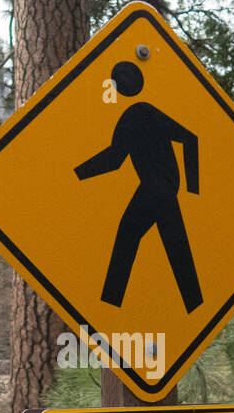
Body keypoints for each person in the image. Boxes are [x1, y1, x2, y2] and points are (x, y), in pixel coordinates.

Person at [75, 60, 203, 314]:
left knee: (132, 239)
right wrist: (188, 188)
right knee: (170, 247)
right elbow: (115, 159)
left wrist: (194, 189)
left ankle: (111, 305)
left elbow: (113, 159)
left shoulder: (136, 113)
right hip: (160, 190)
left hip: (156, 191)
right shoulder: (141, 112)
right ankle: (194, 305)